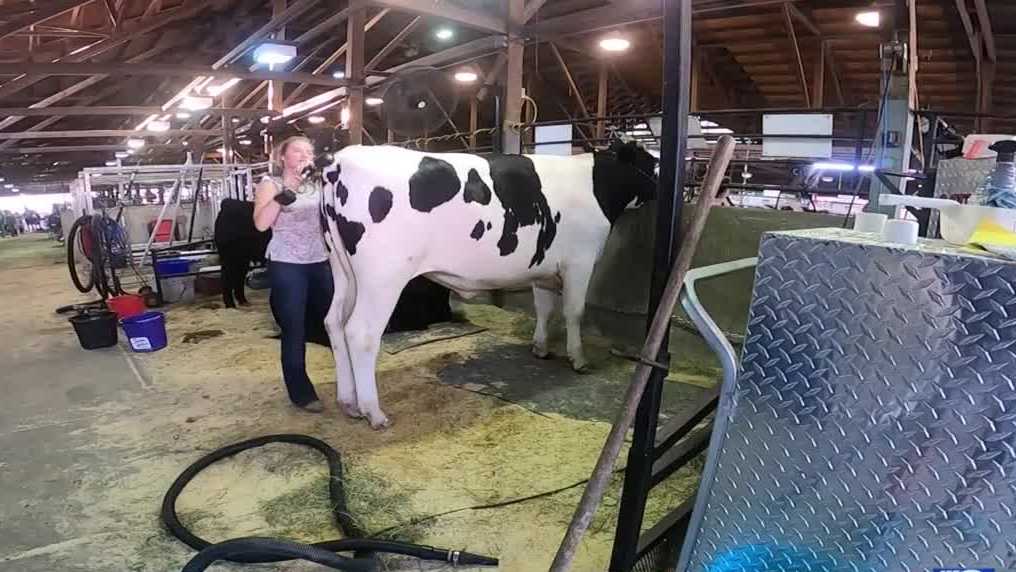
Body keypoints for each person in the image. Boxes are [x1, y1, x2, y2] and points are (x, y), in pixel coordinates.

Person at [253, 135, 333, 413]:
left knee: (334, 322)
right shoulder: (270, 184)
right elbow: (262, 224)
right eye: (297, 150)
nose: (304, 155)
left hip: (319, 260)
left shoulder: (319, 185)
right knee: (294, 328)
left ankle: (350, 378)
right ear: (283, 157)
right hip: (287, 263)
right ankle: (301, 392)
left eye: (309, 151)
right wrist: (290, 187)